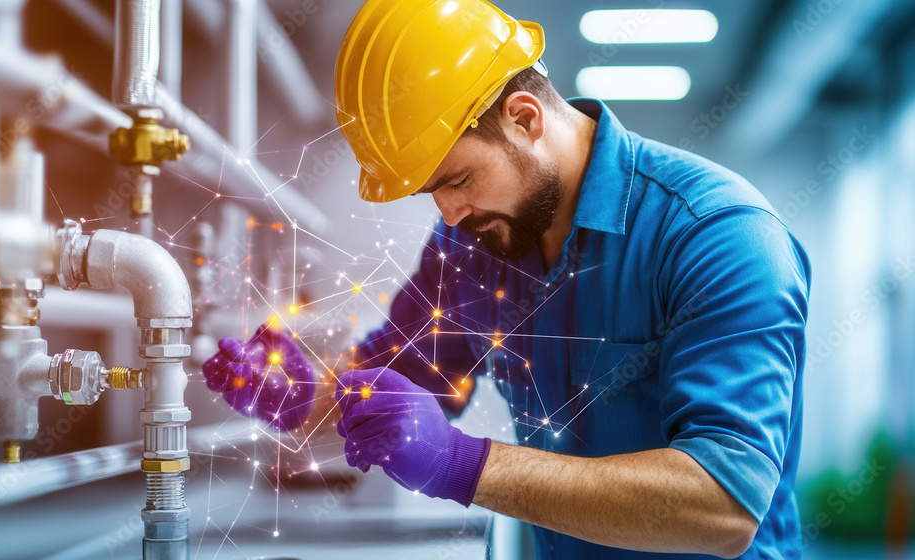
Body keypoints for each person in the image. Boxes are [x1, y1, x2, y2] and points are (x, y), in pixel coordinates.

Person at [208, 0, 810, 558]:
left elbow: (725, 506)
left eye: (458, 180)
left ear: (524, 118)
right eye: (431, 192)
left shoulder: (717, 236)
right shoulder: (468, 247)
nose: (447, 213)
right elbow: (398, 384)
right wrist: (302, 397)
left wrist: (464, 464)